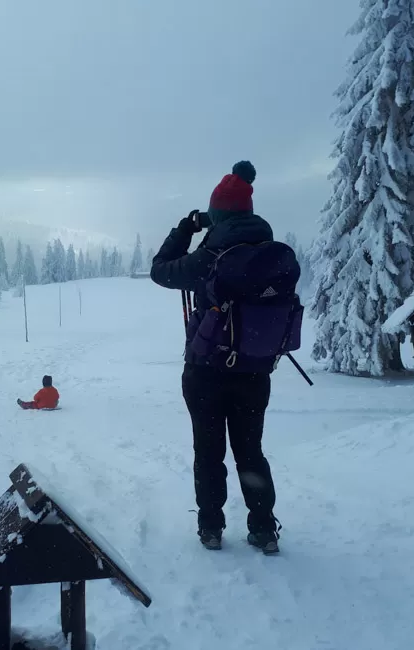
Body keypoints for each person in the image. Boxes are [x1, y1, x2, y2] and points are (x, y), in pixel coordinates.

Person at [150, 160, 299, 555]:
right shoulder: (271, 254)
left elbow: (160, 270)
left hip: (206, 374)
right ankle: (264, 529)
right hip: (255, 372)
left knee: (209, 452)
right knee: (251, 452)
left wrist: (185, 228)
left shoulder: (209, 258)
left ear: (217, 215)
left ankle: (212, 528)